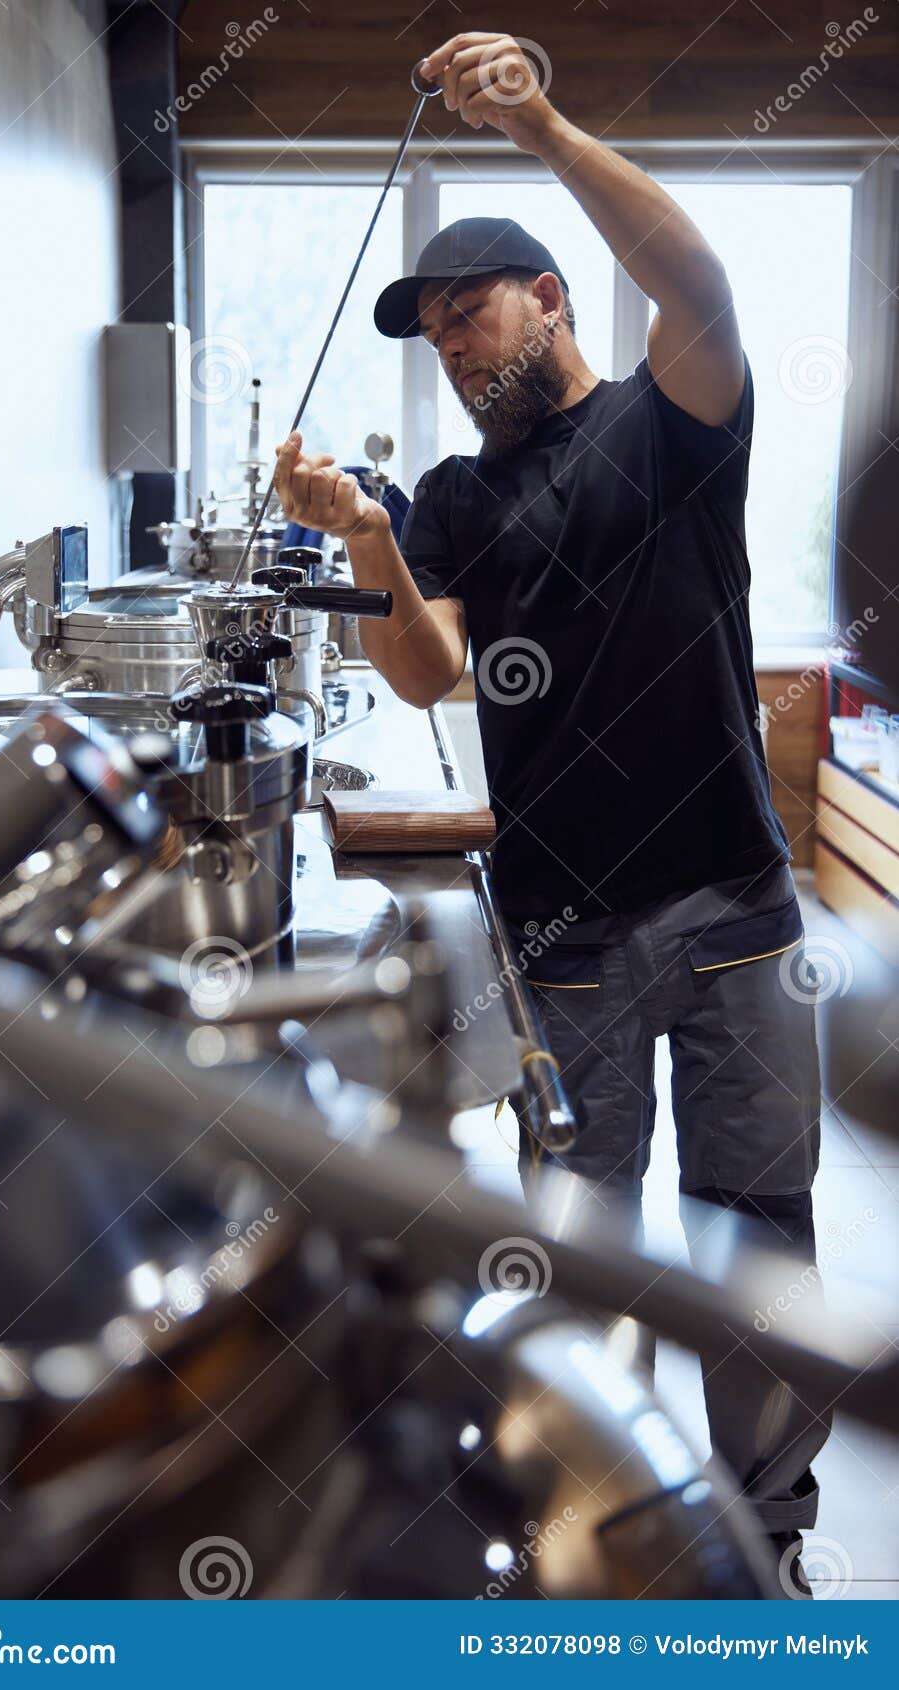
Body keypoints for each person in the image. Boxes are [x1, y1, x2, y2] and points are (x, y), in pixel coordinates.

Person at [272, 31, 828, 1593]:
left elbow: (702, 281)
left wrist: (542, 129)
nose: (453, 345)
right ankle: (608, 1522)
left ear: (554, 298)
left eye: (474, 312)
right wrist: (372, 543)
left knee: (758, 1232)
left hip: (733, 906)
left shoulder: (671, 421)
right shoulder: (452, 498)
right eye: (433, 333)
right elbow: (428, 672)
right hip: (562, 924)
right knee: (576, 1246)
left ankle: (767, 1536)